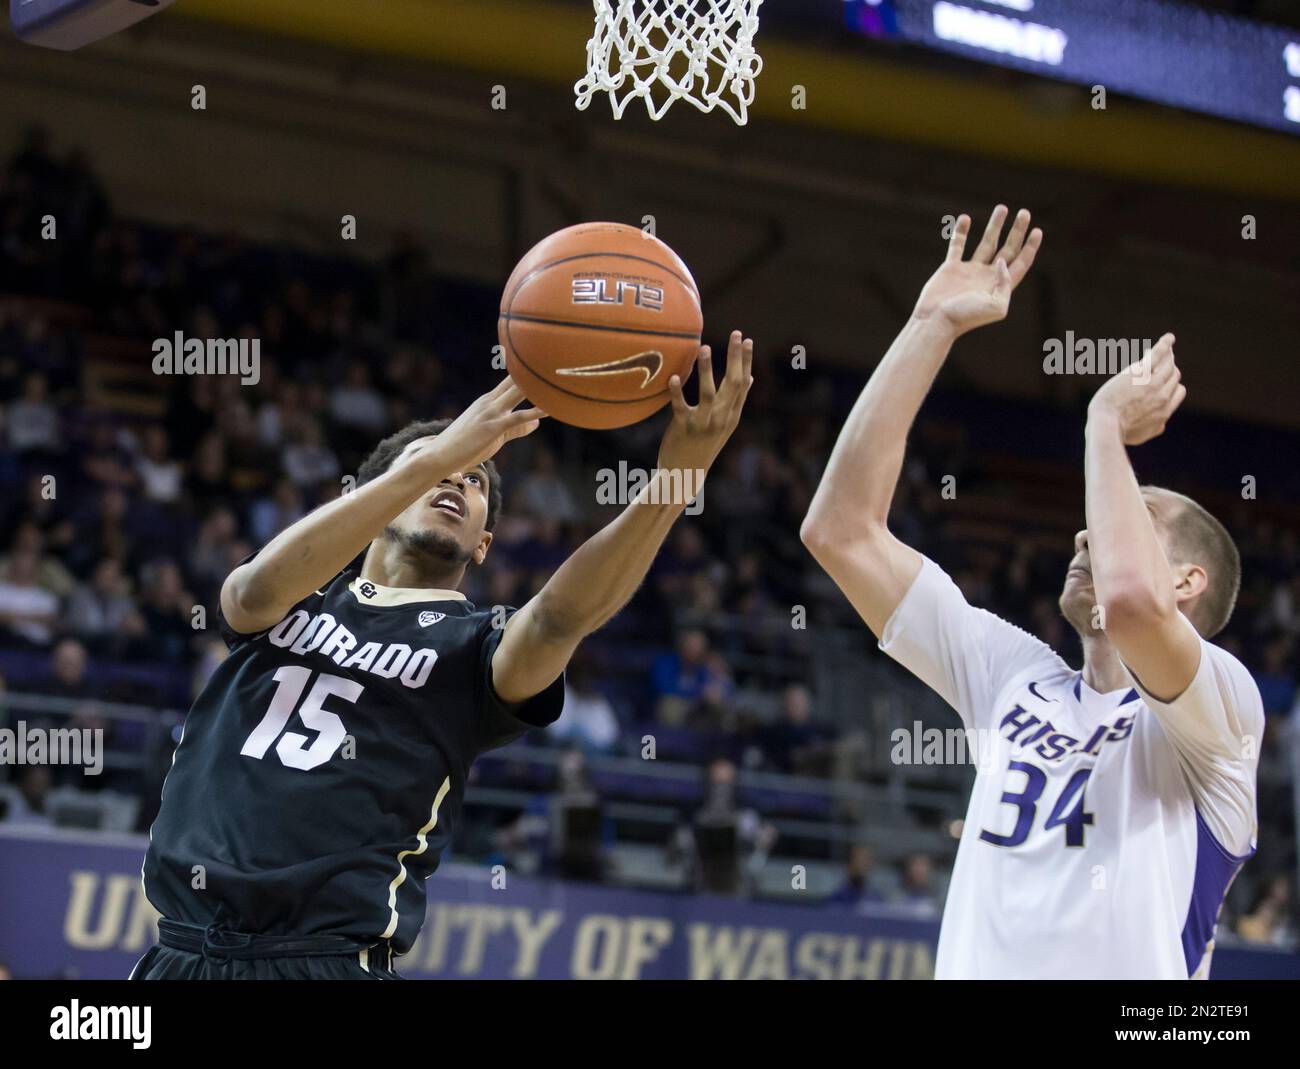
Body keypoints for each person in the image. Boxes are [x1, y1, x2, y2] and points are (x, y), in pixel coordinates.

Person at [134, 336, 753, 980]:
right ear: (374, 497)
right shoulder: (295, 593)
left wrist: (676, 479)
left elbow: (559, 618)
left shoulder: (477, 643)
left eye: (475, 480)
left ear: (484, 545)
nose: (456, 478)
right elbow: (249, 592)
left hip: (326, 962)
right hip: (179, 953)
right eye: (440, 469)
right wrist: (434, 457)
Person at [802, 206, 1262, 980]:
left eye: (1130, 515)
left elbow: (1134, 606)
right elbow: (840, 531)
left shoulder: (1224, 710)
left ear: (1189, 580)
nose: (1089, 532)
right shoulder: (1015, 675)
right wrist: (930, 325)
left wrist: (1104, 426)